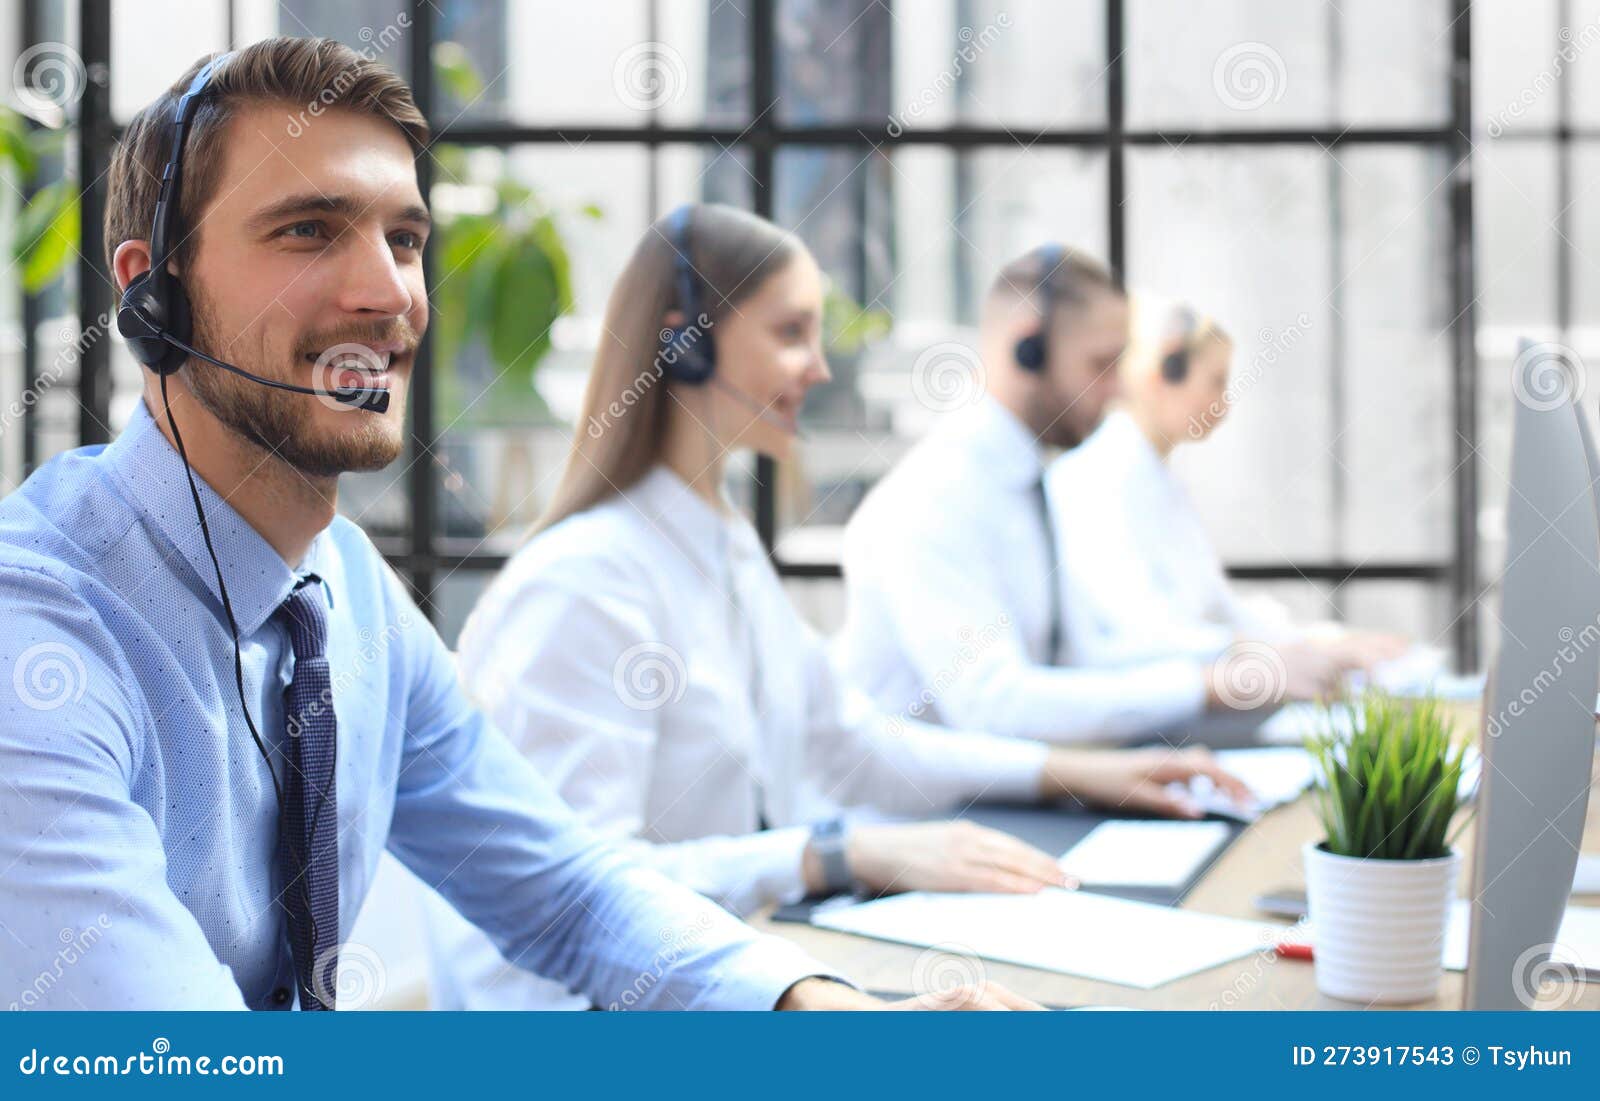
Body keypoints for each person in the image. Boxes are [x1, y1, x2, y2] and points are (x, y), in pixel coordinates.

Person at [0, 38, 1031, 1012]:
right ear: (151, 294)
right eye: (307, 229)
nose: (389, 294)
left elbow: (565, 887)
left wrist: (816, 1007)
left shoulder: (347, 593)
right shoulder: (38, 637)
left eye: (404, 239)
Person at [422, 206, 1253, 1009]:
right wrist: (834, 851)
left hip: (731, 976)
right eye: (790, 333)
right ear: (684, 342)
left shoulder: (724, 544)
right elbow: (581, 897)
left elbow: (849, 741)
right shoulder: (581, 585)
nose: (819, 369)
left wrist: (1076, 772)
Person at [835, 247, 1357, 746]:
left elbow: (1084, 656)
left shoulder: (1031, 483)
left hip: (1000, 804)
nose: (1119, 390)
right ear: (1027, 349)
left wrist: (1246, 669)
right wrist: (1211, 682)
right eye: (1101, 365)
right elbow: (992, 705)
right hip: (911, 823)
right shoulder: (933, 497)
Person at [1047, 298, 1407, 671]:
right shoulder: (1097, 479)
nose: (1223, 404)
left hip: (1194, 679)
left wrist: (1320, 642)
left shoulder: (1156, 480)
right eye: (1215, 382)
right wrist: (1273, 653)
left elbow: (1218, 606)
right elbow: (1146, 631)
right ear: (1162, 374)